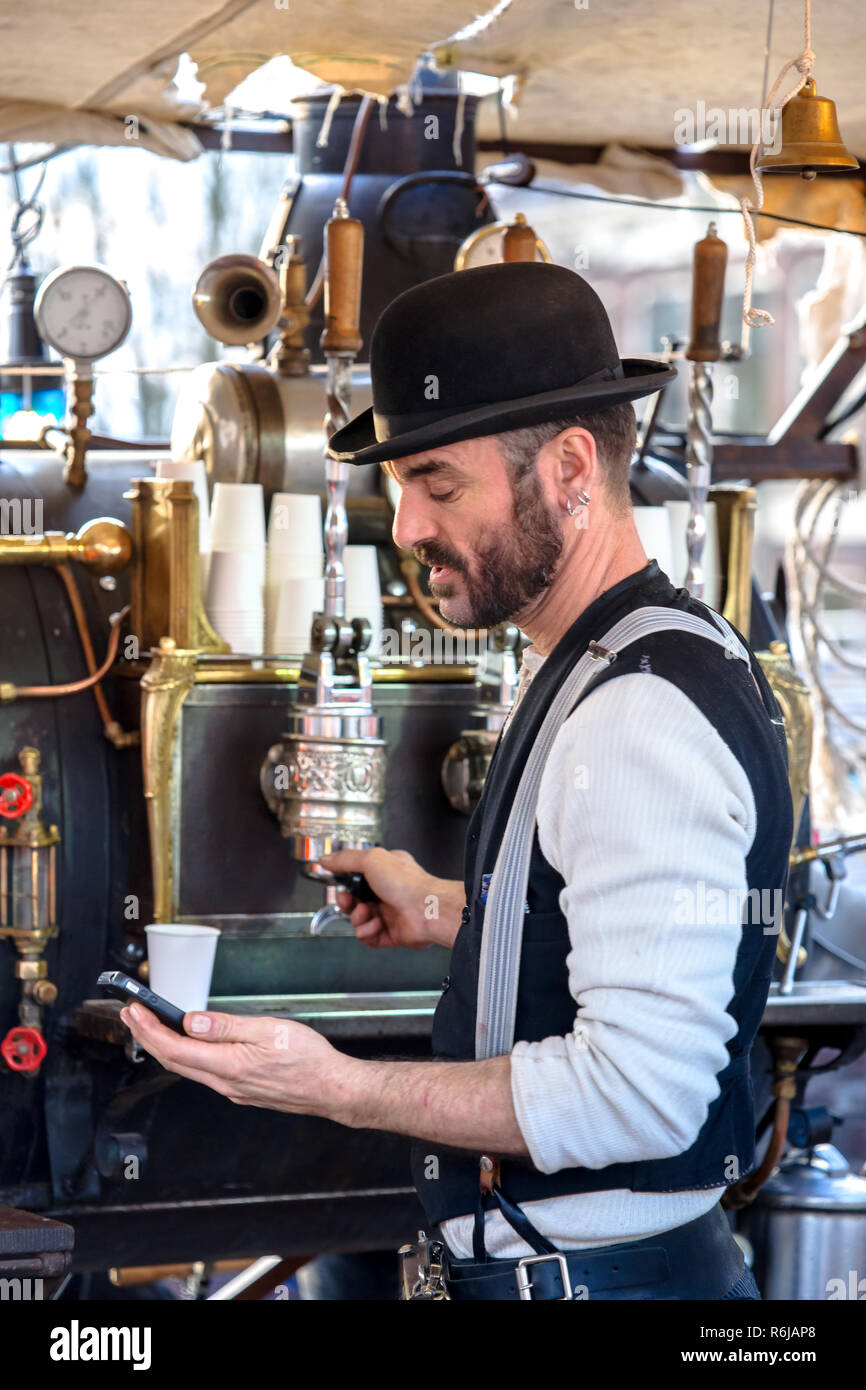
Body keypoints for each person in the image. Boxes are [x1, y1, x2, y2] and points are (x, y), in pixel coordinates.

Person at [123, 263, 793, 1301]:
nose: (405, 528)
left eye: (437, 484)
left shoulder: (635, 711)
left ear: (569, 466)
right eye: (398, 489)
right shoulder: (606, 655)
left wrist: (335, 1086)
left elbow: (637, 1098)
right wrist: (445, 905)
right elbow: (599, 914)